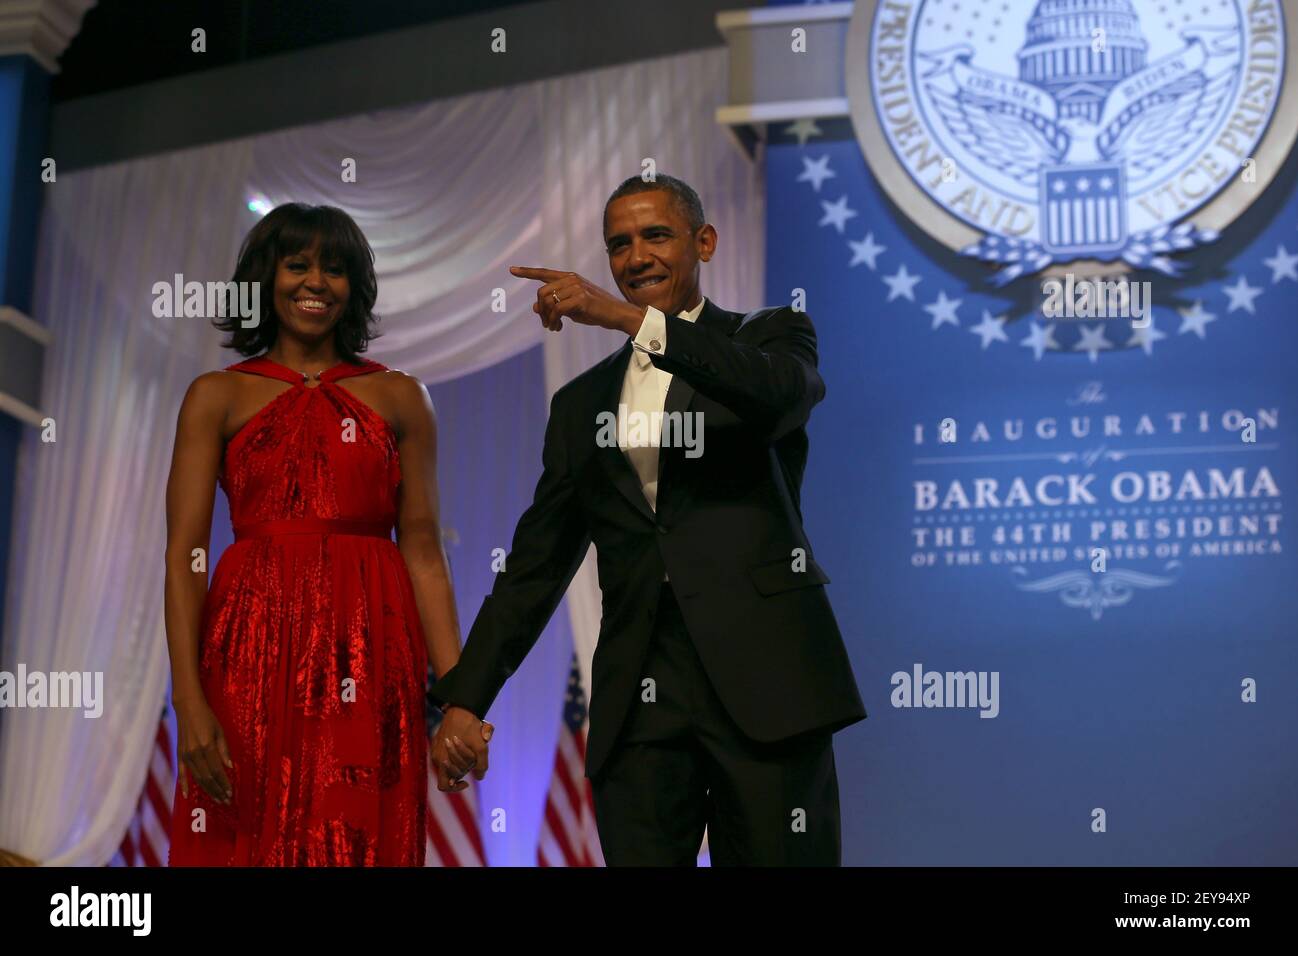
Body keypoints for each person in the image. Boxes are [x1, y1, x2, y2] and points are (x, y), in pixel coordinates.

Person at [430, 175, 865, 865]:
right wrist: (464, 697)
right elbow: (536, 567)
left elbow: (779, 397)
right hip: (640, 701)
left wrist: (632, 321)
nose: (636, 257)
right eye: (619, 244)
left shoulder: (773, 336)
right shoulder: (581, 406)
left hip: (768, 685)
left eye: (655, 236)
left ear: (704, 242)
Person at [163, 203, 485, 866]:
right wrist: (188, 703)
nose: (317, 281)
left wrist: (460, 698)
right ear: (265, 276)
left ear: (355, 286)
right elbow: (184, 557)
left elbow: (424, 553)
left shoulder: (402, 398)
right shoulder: (214, 395)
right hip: (247, 654)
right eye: (298, 264)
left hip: (369, 659)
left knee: (357, 835)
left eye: (335, 268)